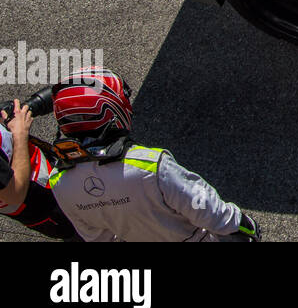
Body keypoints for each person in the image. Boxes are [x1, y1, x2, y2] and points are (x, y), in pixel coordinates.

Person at [41, 68, 262, 242]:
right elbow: (209, 211)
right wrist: (244, 224)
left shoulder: (59, 182)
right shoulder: (150, 165)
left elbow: (96, 237)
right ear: (111, 111)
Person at [1, 98, 78, 240]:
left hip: (44, 169)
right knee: (80, 231)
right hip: (39, 201)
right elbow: (14, 194)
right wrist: (20, 134)